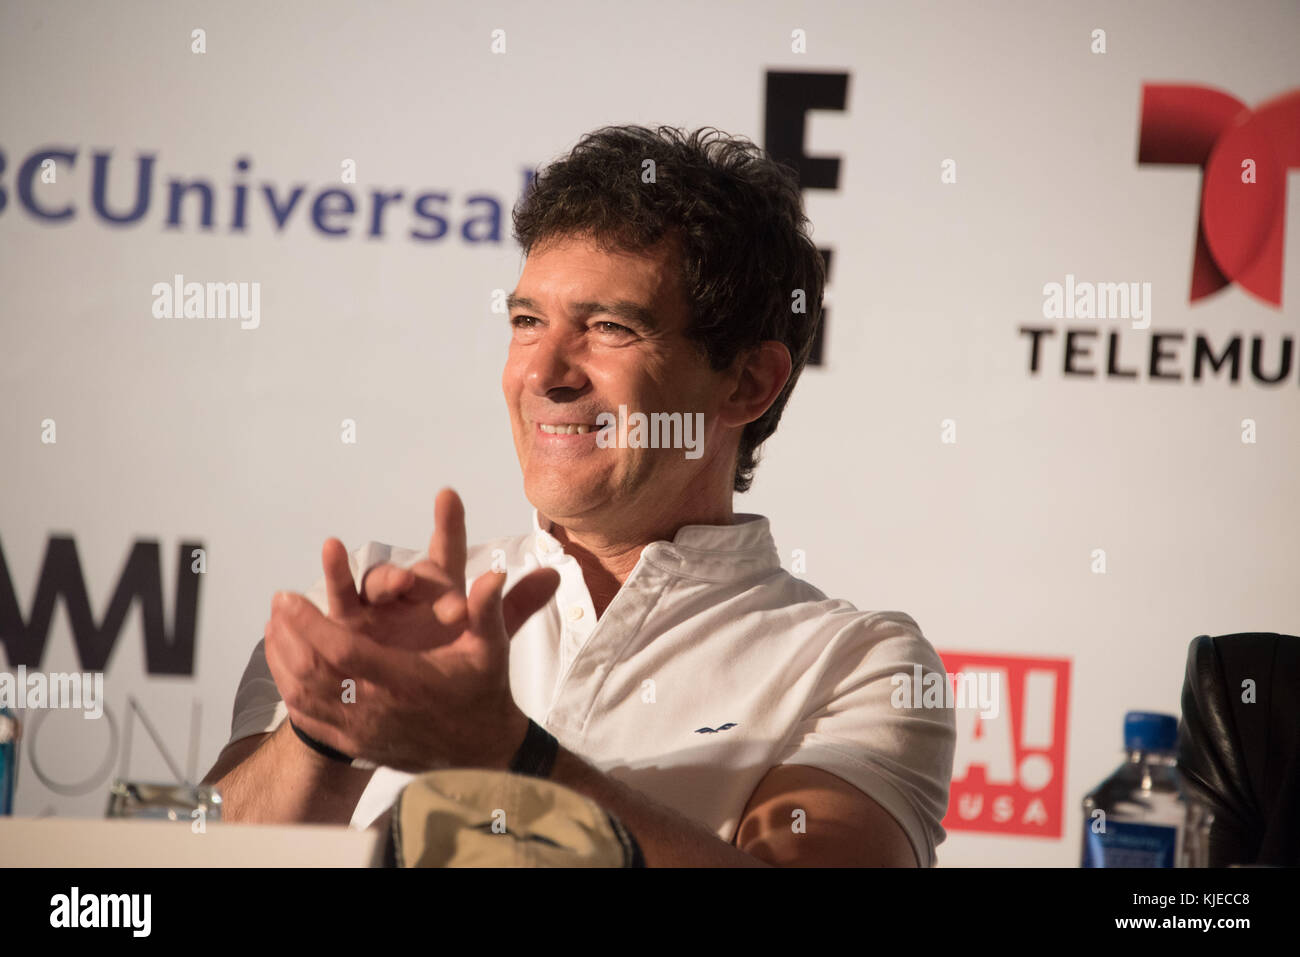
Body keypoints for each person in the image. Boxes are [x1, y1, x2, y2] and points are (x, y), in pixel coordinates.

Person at [202, 125, 955, 867]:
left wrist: (513, 755)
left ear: (748, 381)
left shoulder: (858, 664)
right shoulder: (365, 607)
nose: (545, 370)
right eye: (528, 321)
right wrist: (325, 732)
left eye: (609, 328)